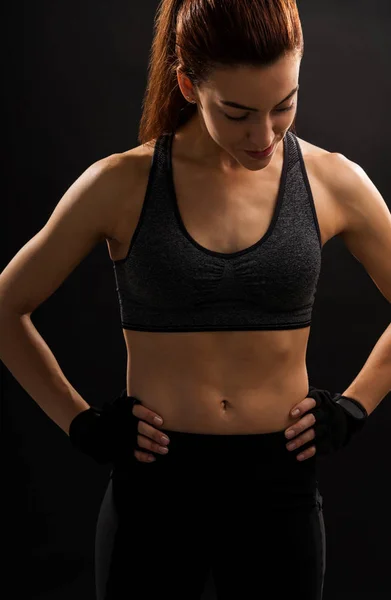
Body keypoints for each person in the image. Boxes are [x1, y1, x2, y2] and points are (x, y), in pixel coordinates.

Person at [1, 0, 382, 599]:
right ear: (188, 84)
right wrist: (81, 425)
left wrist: (355, 407)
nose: (263, 136)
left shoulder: (332, 181)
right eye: (237, 113)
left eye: (284, 105)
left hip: (277, 491)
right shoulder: (121, 184)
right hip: (155, 489)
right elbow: (5, 309)